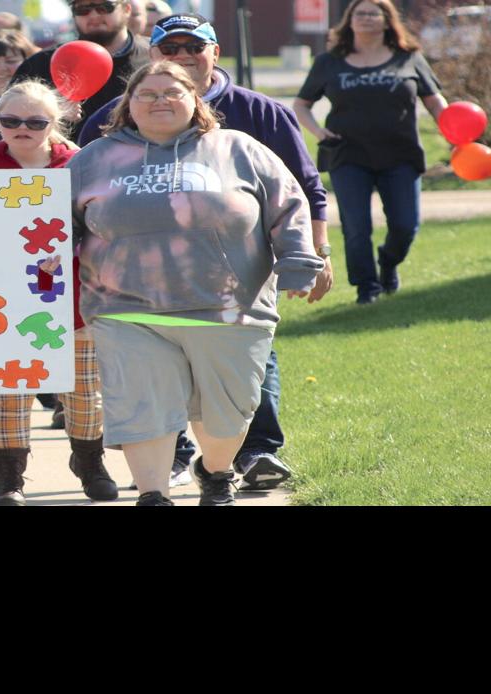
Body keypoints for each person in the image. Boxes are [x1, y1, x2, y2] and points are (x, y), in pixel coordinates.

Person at [81, 13, 333, 491]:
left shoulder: (242, 142)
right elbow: (57, 224)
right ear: (127, 102)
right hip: (126, 308)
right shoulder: (97, 151)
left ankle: (218, 470)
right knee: (143, 406)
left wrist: (306, 257)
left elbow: (294, 197)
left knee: (230, 409)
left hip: (228, 306)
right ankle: (154, 492)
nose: (161, 99)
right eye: (147, 93)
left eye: (172, 92)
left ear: (196, 94)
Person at [0, 81, 117, 506]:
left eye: (35, 121)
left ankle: (89, 461)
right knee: (11, 394)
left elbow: (108, 223)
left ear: (55, 123)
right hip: (6, 303)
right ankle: (9, 476)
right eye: (11, 121)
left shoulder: (82, 167)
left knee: (84, 392)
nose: (22, 129)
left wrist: (76, 244)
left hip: (75, 300)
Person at [294, 0, 448, 305]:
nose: (365, 18)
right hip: (348, 155)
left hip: (400, 154)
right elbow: (301, 105)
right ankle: (367, 288)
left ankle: (388, 263)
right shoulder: (329, 61)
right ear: (349, 22)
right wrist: (318, 132)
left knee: (405, 226)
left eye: (372, 13)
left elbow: (435, 103)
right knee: (356, 227)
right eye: (359, 13)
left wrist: (456, 133)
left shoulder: (409, 58)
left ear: (387, 20)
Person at [14, 1, 150, 131]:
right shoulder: (42, 63)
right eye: (82, 9)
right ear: (73, 14)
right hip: (68, 152)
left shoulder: (156, 55)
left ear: (126, 9)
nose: (94, 15)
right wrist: (54, 114)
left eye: (104, 7)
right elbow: (12, 116)